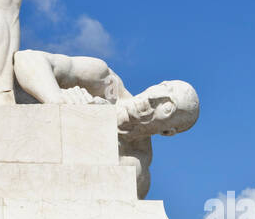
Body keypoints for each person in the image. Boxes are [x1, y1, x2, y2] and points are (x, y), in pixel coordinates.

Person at [13, 50, 199, 196]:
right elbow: (27, 59)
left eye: (167, 107)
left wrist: (88, 127)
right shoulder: (108, 86)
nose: (153, 98)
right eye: (162, 88)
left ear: (167, 132)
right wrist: (57, 99)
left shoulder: (134, 161)